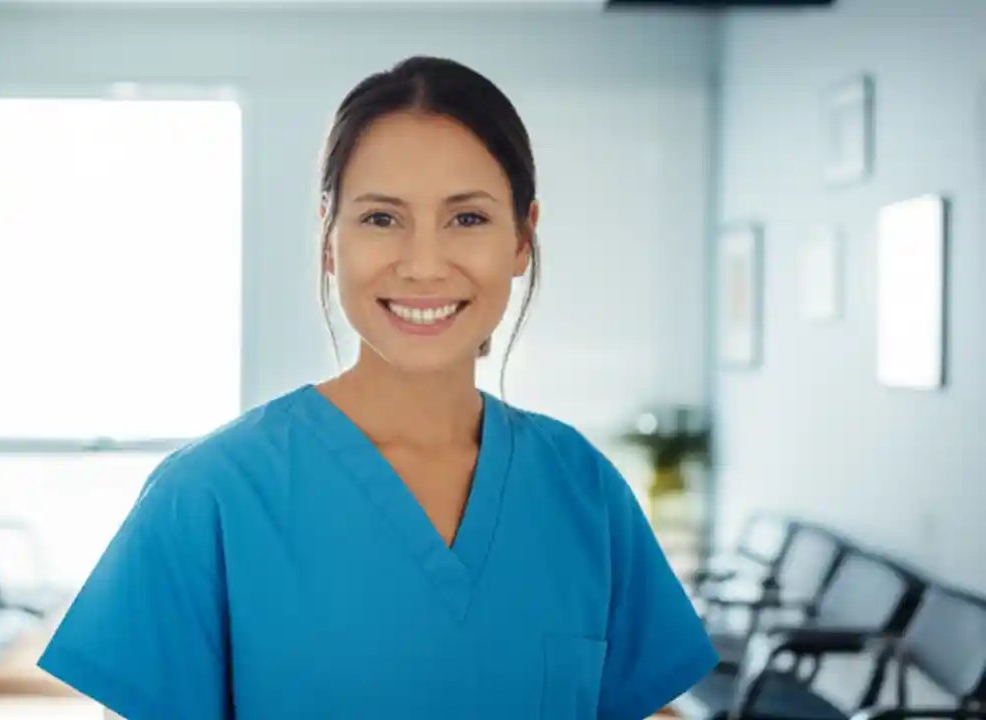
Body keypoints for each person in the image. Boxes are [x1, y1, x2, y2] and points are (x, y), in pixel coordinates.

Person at [37, 55, 718, 719]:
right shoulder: (207, 496)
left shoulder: (583, 491)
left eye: (468, 218)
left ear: (521, 238)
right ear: (328, 238)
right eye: (381, 219)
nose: (423, 266)